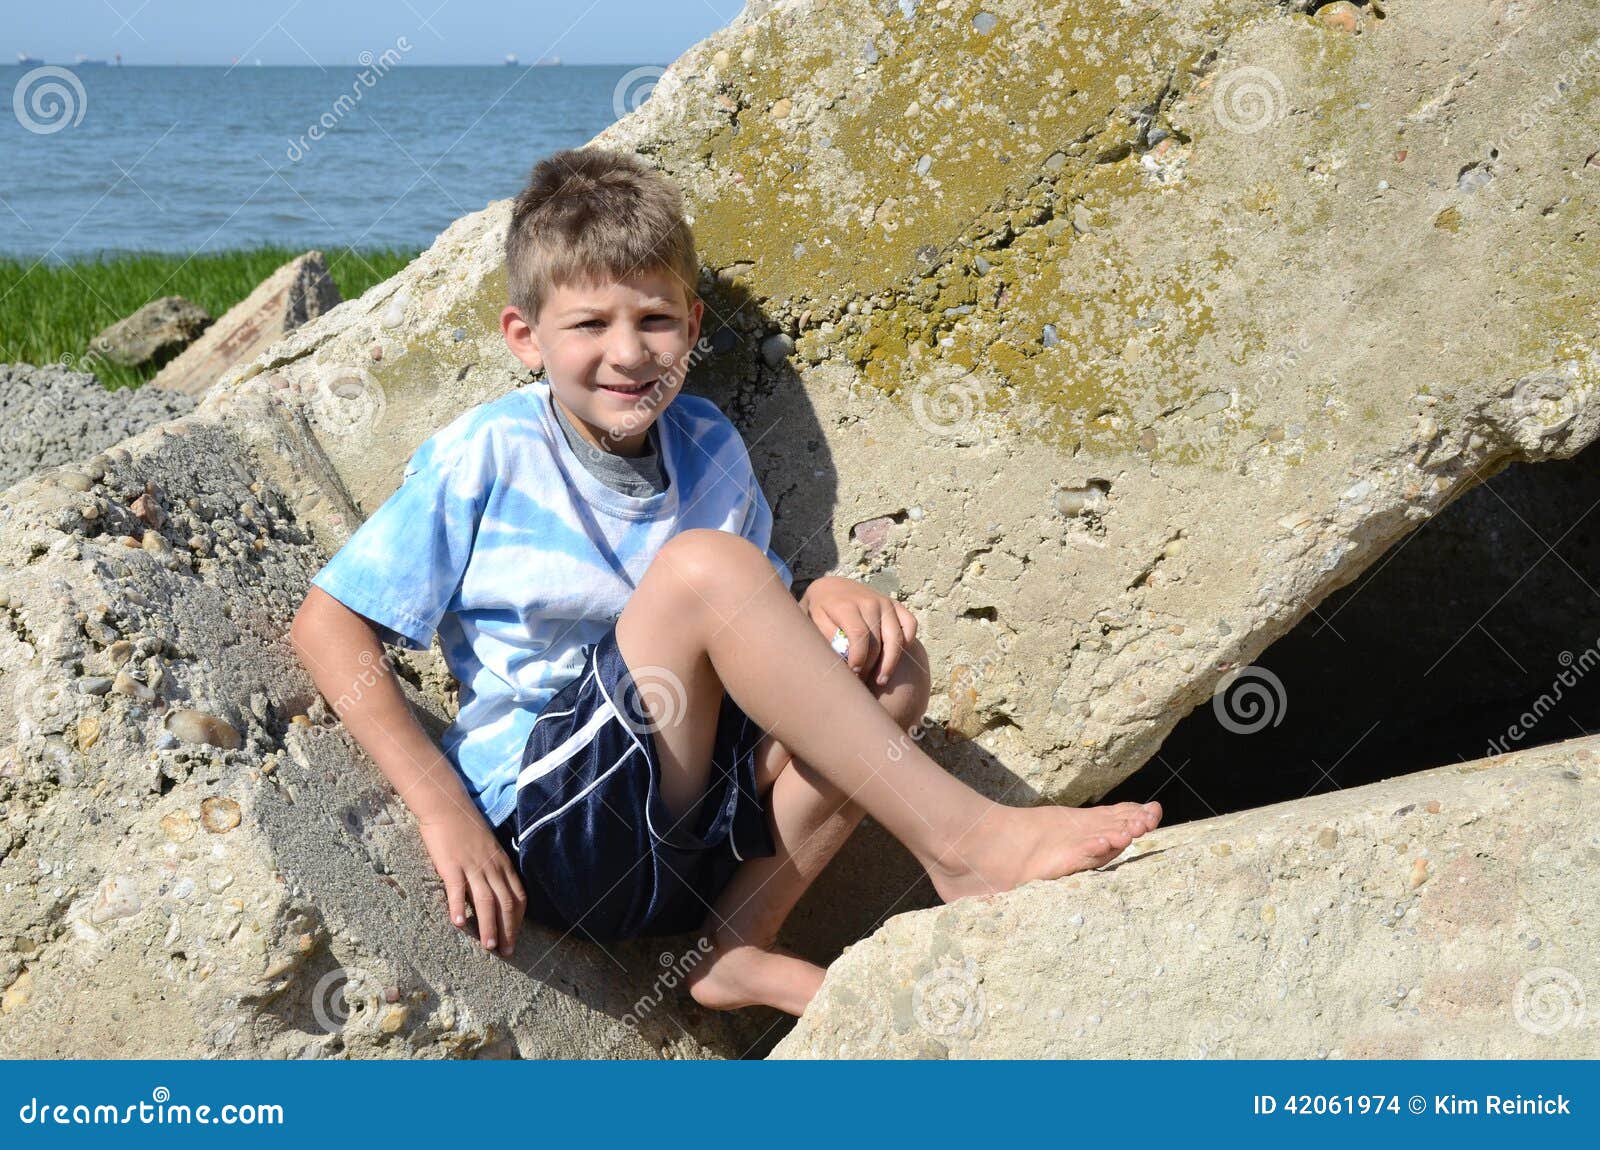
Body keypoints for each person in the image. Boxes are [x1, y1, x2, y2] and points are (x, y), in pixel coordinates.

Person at [290, 146, 1161, 1018]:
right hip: (557, 834)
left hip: (691, 843)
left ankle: (737, 946)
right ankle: (966, 841)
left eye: (656, 320)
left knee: (881, 664)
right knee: (703, 568)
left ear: (694, 324)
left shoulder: (706, 442)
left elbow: (756, 636)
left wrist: (818, 596)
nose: (629, 353)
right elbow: (326, 623)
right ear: (525, 338)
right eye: (589, 325)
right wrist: (442, 810)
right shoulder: (489, 451)